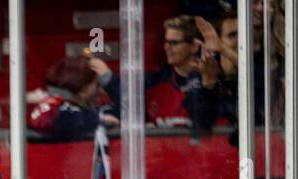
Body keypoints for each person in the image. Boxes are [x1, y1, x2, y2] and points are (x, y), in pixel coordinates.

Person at [89, 15, 220, 131]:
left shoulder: (211, 81)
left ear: (194, 46)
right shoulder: (156, 80)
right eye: (166, 42)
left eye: (174, 43)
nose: (167, 47)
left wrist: (207, 84)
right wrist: (108, 78)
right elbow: (129, 101)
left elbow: (203, 123)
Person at [26, 55, 118, 142]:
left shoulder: (89, 110)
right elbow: (46, 119)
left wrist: (110, 81)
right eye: (97, 85)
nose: (101, 90)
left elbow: (126, 112)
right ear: (83, 90)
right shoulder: (52, 109)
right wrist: (97, 119)